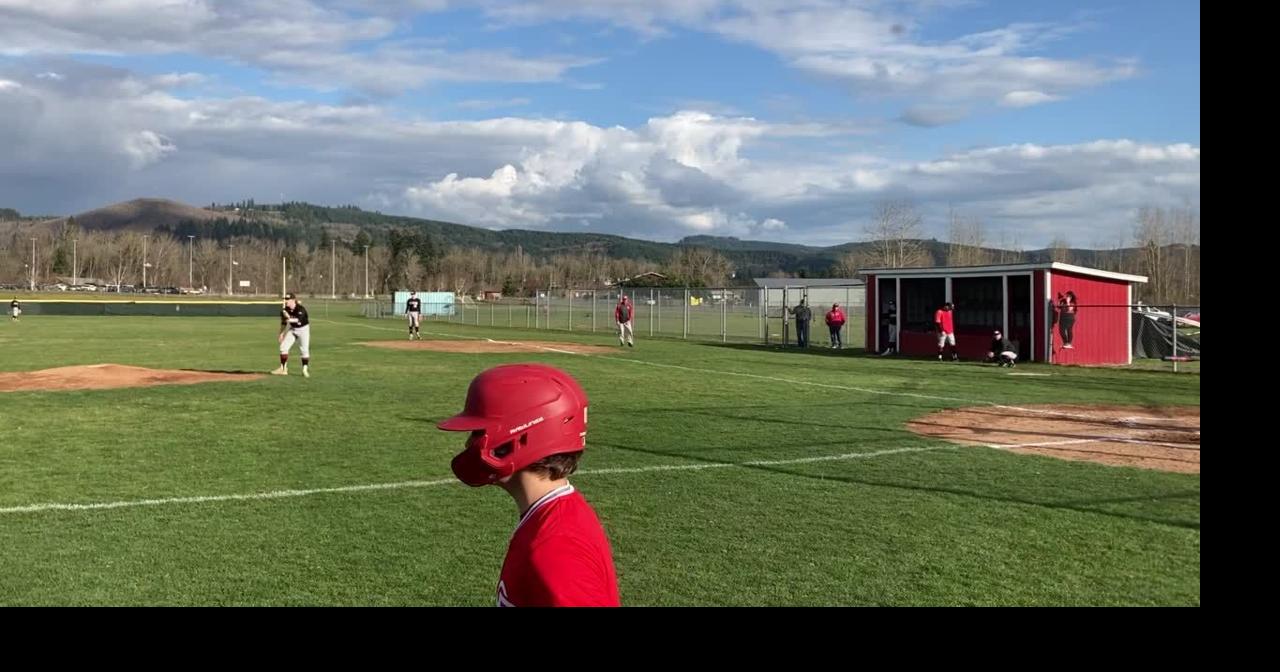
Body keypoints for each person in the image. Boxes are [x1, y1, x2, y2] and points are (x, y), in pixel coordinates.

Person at [437, 363, 620, 607]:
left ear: (519, 437)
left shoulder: (556, 549)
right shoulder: (550, 517)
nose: (469, 443)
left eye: (479, 432)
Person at [273, 292, 311, 377]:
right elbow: (283, 323)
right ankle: (283, 369)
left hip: (303, 330)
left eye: (287, 299)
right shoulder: (285, 310)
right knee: (283, 347)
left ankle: (304, 370)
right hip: (293, 329)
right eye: (285, 299)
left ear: (293, 300)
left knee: (304, 350)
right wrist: (281, 333)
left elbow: (298, 320)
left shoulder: (300, 309)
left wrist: (288, 319)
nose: (285, 301)